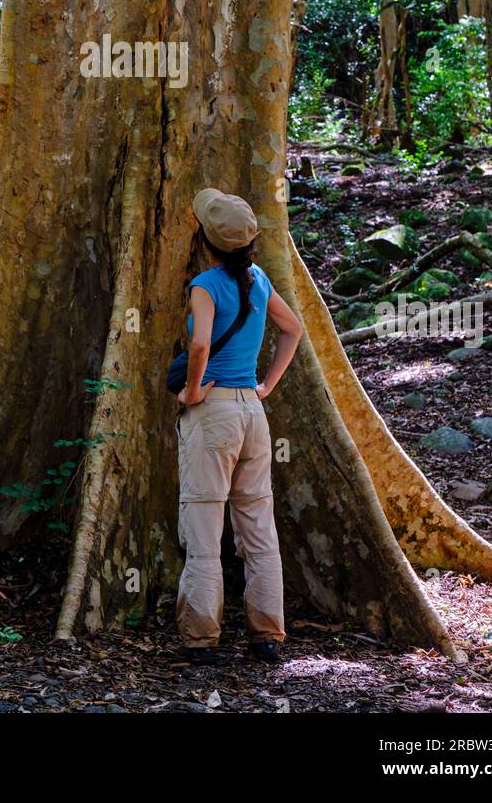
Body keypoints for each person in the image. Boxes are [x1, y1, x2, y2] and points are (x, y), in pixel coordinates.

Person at [175, 187, 303, 665]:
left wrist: (191, 391)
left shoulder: (205, 285)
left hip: (214, 417)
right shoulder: (260, 278)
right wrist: (265, 385)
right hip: (253, 413)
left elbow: (201, 345)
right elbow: (293, 330)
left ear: (208, 242)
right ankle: (267, 635)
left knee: (205, 527)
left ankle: (202, 638)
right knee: (257, 526)